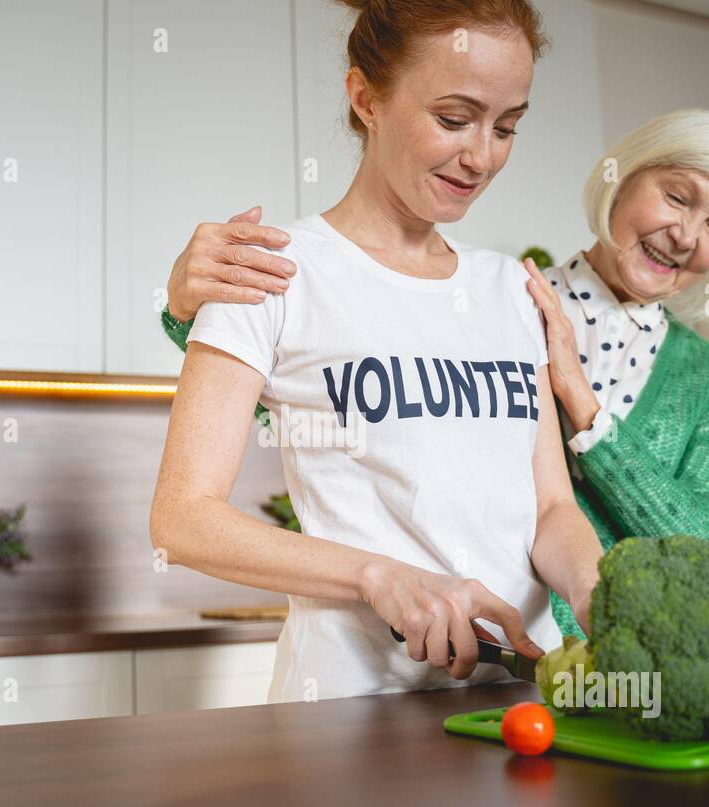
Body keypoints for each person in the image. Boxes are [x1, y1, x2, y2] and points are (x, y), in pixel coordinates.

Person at [160, 107, 709, 641]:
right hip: (424, 645)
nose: (688, 236)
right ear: (620, 179)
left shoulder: (707, 375)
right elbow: (317, 410)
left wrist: (585, 411)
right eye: (677, 196)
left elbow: (702, 545)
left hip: (583, 661)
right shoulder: (505, 292)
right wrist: (192, 314)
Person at [150, 0, 603, 703]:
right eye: (453, 119)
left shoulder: (510, 289)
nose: (482, 155)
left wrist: (597, 589)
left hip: (517, 704)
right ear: (366, 98)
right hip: (348, 712)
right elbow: (182, 518)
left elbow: (551, 509)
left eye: (507, 126)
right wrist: (378, 576)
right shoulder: (269, 270)